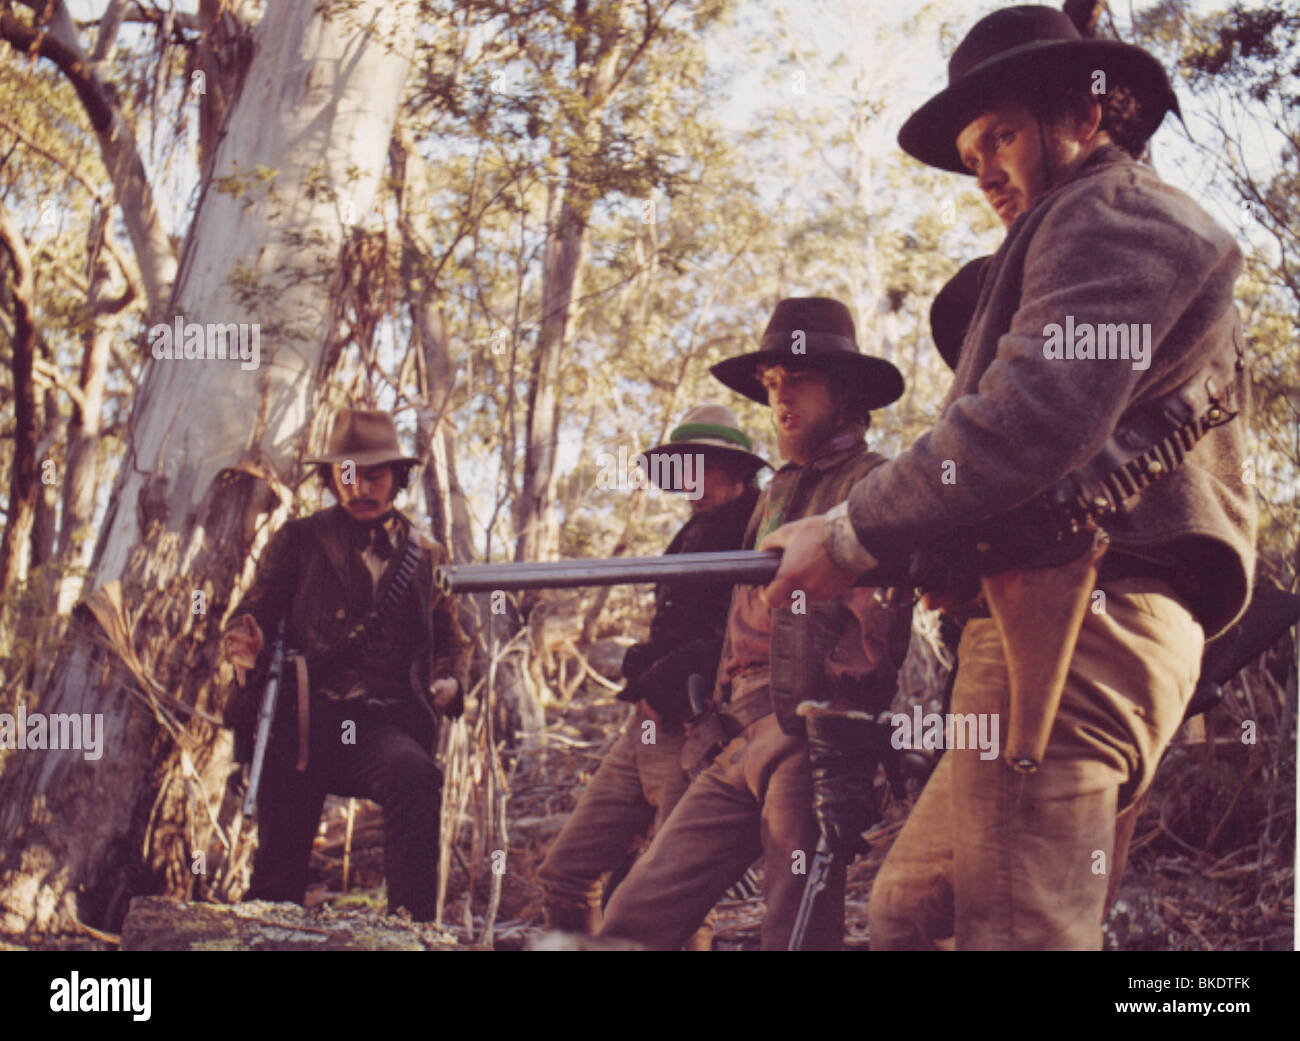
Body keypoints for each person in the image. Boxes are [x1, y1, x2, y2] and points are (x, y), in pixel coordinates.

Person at [759, 5, 1256, 949]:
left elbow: (1028, 421)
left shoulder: (1109, 211)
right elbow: (1039, 448)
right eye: (970, 148)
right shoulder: (1088, 219)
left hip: (1078, 627)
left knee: (1018, 932)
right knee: (910, 909)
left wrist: (853, 532)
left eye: (1003, 135)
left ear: (1084, 115)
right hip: (1041, 622)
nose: (983, 168)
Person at [596, 298, 912, 950]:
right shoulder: (774, 492)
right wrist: (713, 718)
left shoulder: (873, 483)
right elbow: (739, 615)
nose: (780, 396)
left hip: (806, 729)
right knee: (634, 915)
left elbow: (874, 619)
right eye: (770, 382)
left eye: (796, 377)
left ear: (845, 387)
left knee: (794, 930)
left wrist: (839, 730)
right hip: (736, 737)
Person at [221, 408, 471, 921]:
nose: (360, 487)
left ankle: (412, 929)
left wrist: (449, 678)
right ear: (333, 479)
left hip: (379, 726)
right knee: (274, 883)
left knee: (417, 776)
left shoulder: (423, 554)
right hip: (302, 722)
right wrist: (246, 638)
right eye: (348, 474)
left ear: (398, 479)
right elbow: (256, 608)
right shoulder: (300, 538)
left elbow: (452, 637)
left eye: (374, 474)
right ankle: (270, 928)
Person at [537, 405, 767, 945]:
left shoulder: (758, 531)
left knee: (675, 896)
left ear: (736, 470)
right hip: (646, 726)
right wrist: (644, 668)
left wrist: (664, 678)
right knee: (566, 874)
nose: (689, 482)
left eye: (700, 467)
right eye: (680, 469)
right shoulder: (694, 530)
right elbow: (676, 631)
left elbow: (745, 638)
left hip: (699, 729)